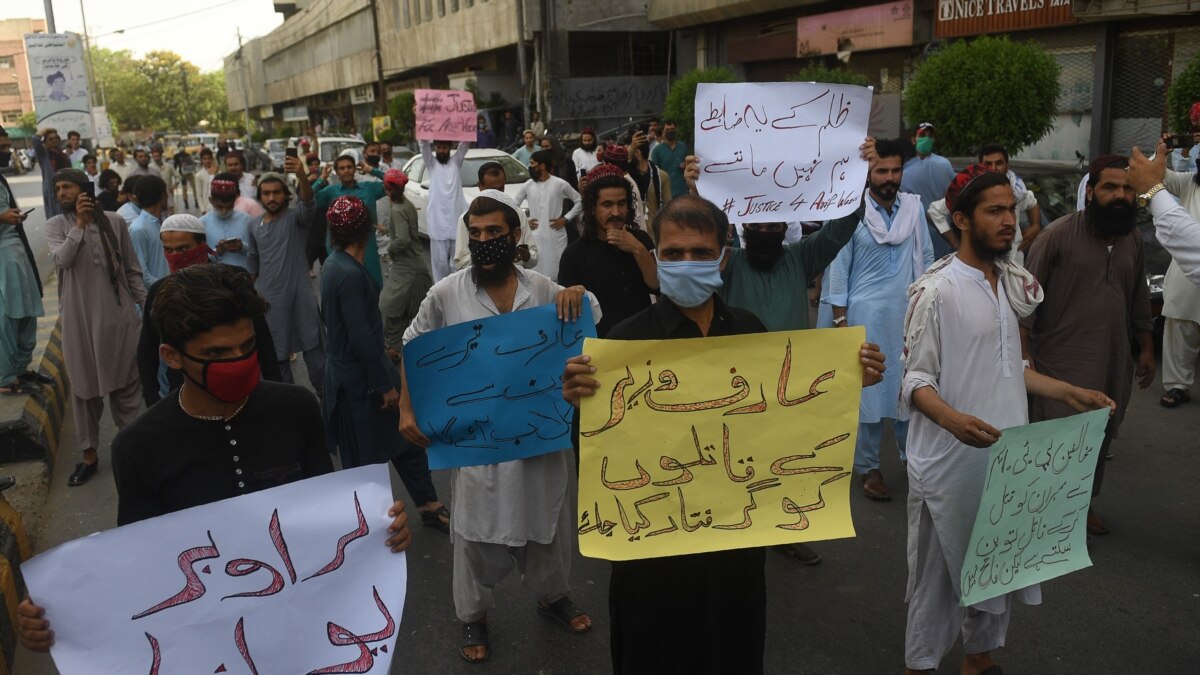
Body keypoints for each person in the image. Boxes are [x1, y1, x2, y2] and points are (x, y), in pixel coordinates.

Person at [16, 262, 414, 655]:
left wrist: (380, 532)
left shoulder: (296, 408)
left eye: (246, 347)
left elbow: (329, 520)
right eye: (218, 353)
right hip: (211, 650)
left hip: (305, 637)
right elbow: (141, 569)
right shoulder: (138, 447)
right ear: (172, 356)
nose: (238, 362)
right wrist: (57, 619)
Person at [562, 194, 886, 674]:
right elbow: (595, 457)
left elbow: (789, 422)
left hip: (735, 551)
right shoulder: (622, 345)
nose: (686, 263)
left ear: (723, 257)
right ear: (656, 259)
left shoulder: (752, 335)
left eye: (699, 252)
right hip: (652, 558)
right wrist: (581, 402)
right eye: (672, 254)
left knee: (732, 650)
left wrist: (843, 380)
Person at [900, 167, 1113, 675]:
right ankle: (920, 664)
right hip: (949, 463)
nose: (1008, 222)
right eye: (994, 211)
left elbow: (1009, 370)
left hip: (1005, 455)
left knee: (999, 561)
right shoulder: (938, 291)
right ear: (960, 219)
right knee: (937, 578)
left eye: (1011, 211)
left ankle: (979, 658)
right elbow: (914, 381)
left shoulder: (1005, 285)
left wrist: (1069, 392)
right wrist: (952, 421)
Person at [400, 191, 599, 663]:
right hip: (476, 446)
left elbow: (588, 319)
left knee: (548, 526)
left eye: (495, 233)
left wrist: (577, 294)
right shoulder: (446, 293)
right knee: (473, 535)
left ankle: (554, 597)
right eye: (477, 233)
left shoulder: (545, 290)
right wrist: (407, 409)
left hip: (539, 441)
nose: (485, 241)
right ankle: (473, 615)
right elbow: (412, 346)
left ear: (515, 235)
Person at [1020, 155, 1154, 538]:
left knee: (1100, 433)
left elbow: (1138, 296)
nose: (1121, 195)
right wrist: (1023, 357)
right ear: (1091, 192)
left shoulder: (1131, 240)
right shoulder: (1056, 236)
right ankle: (1041, 507)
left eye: (1128, 188)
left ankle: (1083, 503)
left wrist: (1146, 347)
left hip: (1113, 359)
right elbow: (1026, 304)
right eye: (1111, 187)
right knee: (1056, 437)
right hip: (1061, 360)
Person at [321, 195, 450, 534]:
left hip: (361, 371)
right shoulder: (348, 274)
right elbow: (360, 337)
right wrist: (386, 385)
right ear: (366, 231)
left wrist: (383, 354)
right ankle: (374, 525)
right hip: (361, 383)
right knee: (367, 461)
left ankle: (426, 503)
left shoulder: (335, 264)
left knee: (405, 442)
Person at [821, 139, 934, 501]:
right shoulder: (849, 212)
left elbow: (927, 260)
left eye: (895, 170)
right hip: (863, 318)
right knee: (868, 397)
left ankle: (912, 461)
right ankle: (868, 467)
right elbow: (838, 272)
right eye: (881, 170)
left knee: (909, 392)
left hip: (907, 318)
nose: (889, 178)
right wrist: (841, 325)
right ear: (868, 174)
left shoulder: (913, 210)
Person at [44, 168, 145, 487]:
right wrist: (79, 225)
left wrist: (150, 307)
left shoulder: (115, 222)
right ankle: (89, 455)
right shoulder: (56, 225)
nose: (61, 193)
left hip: (118, 319)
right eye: (57, 188)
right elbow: (63, 259)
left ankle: (133, 453)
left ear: (84, 188)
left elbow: (131, 269)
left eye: (67, 187)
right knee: (84, 390)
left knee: (127, 386)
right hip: (79, 321)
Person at [136, 213, 281, 406]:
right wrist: (152, 397)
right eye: (168, 250)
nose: (175, 256)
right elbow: (148, 347)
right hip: (185, 392)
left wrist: (275, 384)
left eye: (183, 249)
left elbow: (261, 336)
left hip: (236, 381)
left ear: (202, 244)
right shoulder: (161, 291)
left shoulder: (233, 280)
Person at [248, 155, 325, 391]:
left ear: (286, 195)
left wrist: (302, 175)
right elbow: (253, 262)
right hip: (271, 304)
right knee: (277, 364)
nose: (271, 198)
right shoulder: (253, 225)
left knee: (318, 364)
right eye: (266, 193)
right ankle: (290, 412)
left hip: (301, 299)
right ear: (260, 197)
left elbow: (309, 203)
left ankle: (329, 408)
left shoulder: (297, 218)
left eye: (277, 192)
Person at [557, 163, 656, 337]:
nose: (616, 212)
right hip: (603, 348)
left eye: (621, 203)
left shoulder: (640, 240)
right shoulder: (574, 255)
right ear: (593, 208)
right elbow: (568, 314)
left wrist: (637, 249)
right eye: (607, 205)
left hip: (646, 342)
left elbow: (658, 287)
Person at [927, 144, 1041, 263]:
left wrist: (1035, 226)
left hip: (1014, 262)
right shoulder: (970, 192)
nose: (994, 168)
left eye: (999, 163)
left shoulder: (1018, 190)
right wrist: (955, 242)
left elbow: (1032, 203)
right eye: (994, 211)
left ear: (1007, 165)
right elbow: (935, 211)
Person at [0, 126, 48, 396]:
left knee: (28, 310)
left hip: (16, 253)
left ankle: (20, 368)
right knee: (9, 315)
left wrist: (12, 216)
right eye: (3, 148)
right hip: (4, 257)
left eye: (7, 147)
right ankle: (6, 377)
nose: (7, 153)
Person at [377, 170, 432, 362]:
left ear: (388, 188)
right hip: (415, 267)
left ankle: (394, 351)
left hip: (406, 268)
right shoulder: (406, 205)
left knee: (392, 309)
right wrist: (387, 229)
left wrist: (390, 249)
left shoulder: (397, 209)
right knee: (412, 312)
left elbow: (403, 240)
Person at [312, 155, 386, 286]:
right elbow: (309, 199)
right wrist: (322, 178)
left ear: (355, 169)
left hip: (366, 246)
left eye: (349, 167)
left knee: (373, 287)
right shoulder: (330, 191)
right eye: (342, 168)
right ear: (336, 172)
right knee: (345, 287)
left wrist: (371, 170)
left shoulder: (369, 188)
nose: (346, 170)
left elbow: (396, 182)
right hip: (339, 248)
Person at [452, 161, 538, 271]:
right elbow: (461, 262)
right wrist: (487, 253)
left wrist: (525, 255)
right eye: (492, 190)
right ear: (480, 186)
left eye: (501, 188)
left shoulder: (517, 213)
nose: (498, 194)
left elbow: (533, 257)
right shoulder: (467, 218)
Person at [516, 149, 581, 281]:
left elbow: (579, 201)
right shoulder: (527, 185)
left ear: (542, 166)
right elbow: (513, 205)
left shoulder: (559, 184)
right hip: (535, 236)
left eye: (533, 163)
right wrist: (525, 221)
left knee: (557, 272)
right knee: (535, 274)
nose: (530, 167)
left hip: (555, 236)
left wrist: (566, 219)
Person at [900, 122, 956, 258]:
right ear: (913, 139)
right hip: (918, 233)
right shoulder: (905, 170)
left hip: (945, 232)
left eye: (930, 136)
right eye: (922, 135)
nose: (927, 138)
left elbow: (954, 195)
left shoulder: (944, 165)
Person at [420, 139, 470, 282]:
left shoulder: (456, 162)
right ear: (435, 148)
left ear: (450, 148)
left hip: (456, 221)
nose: (442, 150)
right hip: (438, 223)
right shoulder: (432, 164)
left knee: (458, 264)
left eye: (444, 148)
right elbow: (423, 145)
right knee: (439, 265)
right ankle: (440, 293)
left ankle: (457, 291)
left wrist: (468, 118)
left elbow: (465, 144)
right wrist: (422, 121)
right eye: (439, 147)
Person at [202, 173, 255, 271]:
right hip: (214, 280)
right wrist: (217, 252)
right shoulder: (202, 223)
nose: (224, 211)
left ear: (235, 200)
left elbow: (257, 255)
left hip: (243, 278)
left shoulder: (248, 221)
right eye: (220, 206)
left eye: (228, 206)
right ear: (211, 201)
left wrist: (242, 248)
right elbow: (200, 260)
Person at [127, 175, 171, 288]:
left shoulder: (166, 223)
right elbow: (141, 272)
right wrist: (165, 288)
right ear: (162, 196)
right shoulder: (138, 229)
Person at [626, 130, 670, 232]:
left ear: (637, 153)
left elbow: (668, 208)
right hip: (633, 235)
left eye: (629, 151)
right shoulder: (626, 177)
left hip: (655, 234)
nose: (627, 154)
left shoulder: (661, 176)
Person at [32, 128, 71, 219]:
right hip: (52, 191)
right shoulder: (43, 155)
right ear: (45, 142)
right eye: (50, 139)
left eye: (56, 138)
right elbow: (35, 139)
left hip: (67, 188)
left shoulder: (64, 155)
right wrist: (48, 129)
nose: (54, 140)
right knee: (56, 218)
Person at [649, 120, 689, 202]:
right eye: (667, 129)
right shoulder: (657, 150)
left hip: (683, 192)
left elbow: (689, 165)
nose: (670, 131)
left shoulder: (683, 147)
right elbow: (655, 172)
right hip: (666, 193)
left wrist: (686, 164)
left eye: (672, 129)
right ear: (663, 131)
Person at [194, 147, 217, 214]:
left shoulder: (218, 173)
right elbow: (199, 195)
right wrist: (203, 209)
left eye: (209, 158)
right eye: (205, 159)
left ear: (212, 159)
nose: (207, 161)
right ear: (201, 160)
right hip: (207, 208)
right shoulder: (198, 175)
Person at [175, 146, 197, 210]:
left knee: (194, 187)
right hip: (182, 174)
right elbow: (175, 165)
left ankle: (196, 201)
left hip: (190, 172)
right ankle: (186, 203)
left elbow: (192, 163)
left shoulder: (188, 155)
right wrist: (176, 174)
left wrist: (194, 171)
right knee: (184, 189)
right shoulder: (176, 156)